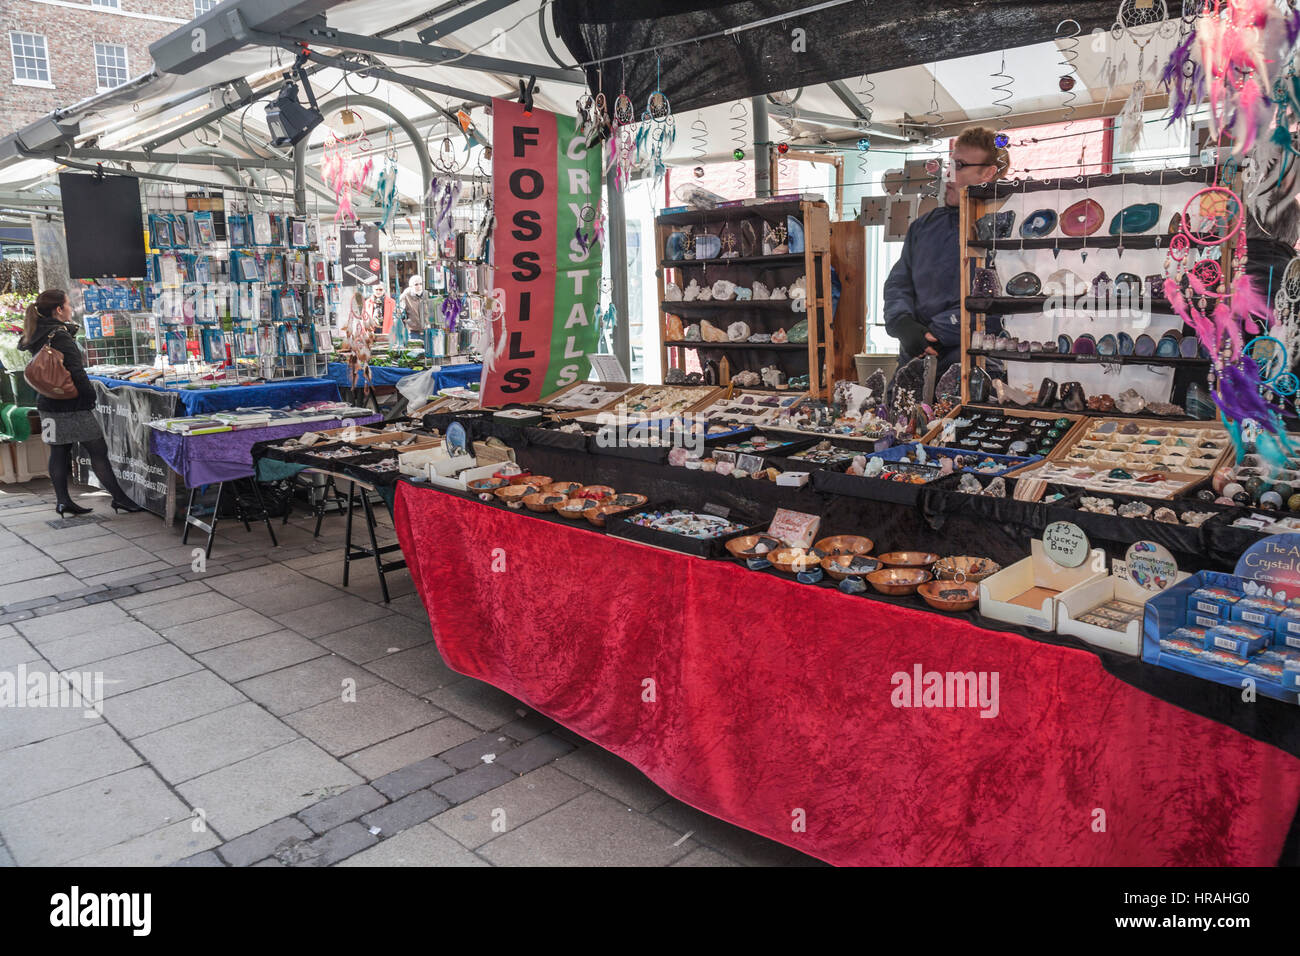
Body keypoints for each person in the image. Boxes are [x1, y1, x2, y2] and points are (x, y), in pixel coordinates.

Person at [883, 127, 1009, 375]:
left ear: (988, 173)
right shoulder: (924, 226)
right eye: (950, 163)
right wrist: (903, 324)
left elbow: (1003, 301)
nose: (948, 174)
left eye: (960, 165)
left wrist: (940, 331)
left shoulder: (1008, 228)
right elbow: (898, 283)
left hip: (977, 365)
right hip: (915, 357)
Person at [19, 289, 142, 517]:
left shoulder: (37, 333)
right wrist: (89, 399)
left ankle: (63, 502)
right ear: (58, 309)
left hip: (47, 403)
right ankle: (120, 498)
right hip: (72, 404)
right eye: (68, 305)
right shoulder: (60, 336)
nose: (71, 309)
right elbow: (77, 373)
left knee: (59, 451)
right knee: (98, 450)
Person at [398, 275, 430, 348]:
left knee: (427, 352)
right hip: (413, 331)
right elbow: (399, 312)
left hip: (426, 330)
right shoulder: (406, 295)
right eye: (416, 284)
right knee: (415, 353)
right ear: (411, 286)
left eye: (420, 284)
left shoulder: (426, 294)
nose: (419, 286)